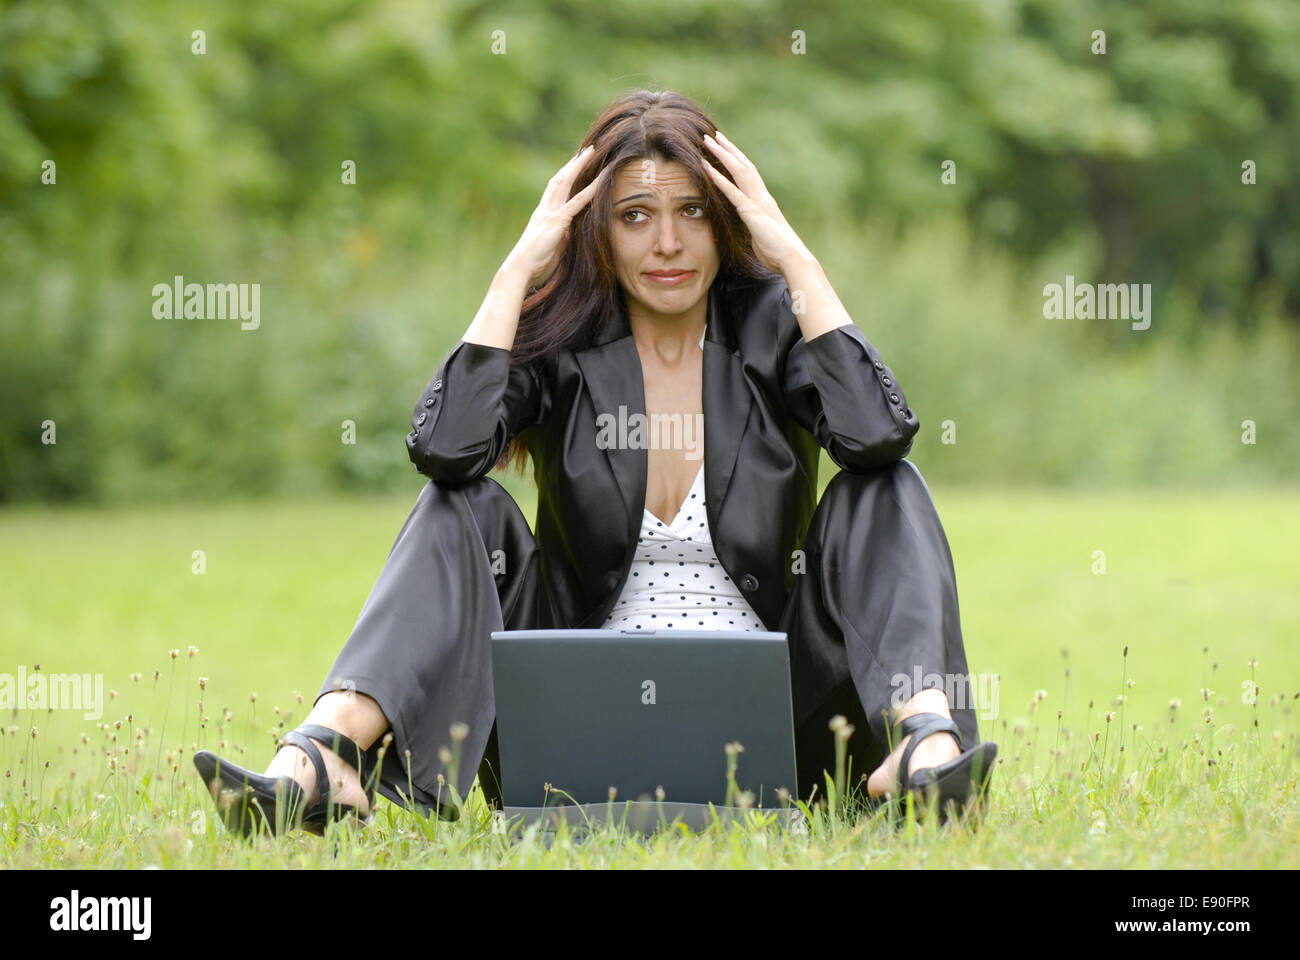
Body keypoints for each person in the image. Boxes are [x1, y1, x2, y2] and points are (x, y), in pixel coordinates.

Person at [194, 90, 997, 838]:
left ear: (726, 220)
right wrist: (519, 267)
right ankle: (323, 755)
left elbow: (877, 437)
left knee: (887, 485)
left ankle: (923, 747)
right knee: (458, 507)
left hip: (782, 733)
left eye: (692, 212)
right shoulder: (565, 342)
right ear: (596, 230)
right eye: (636, 216)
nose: (669, 243)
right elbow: (446, 453)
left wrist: (797, 261)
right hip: (575, 729)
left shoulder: (771, 328)